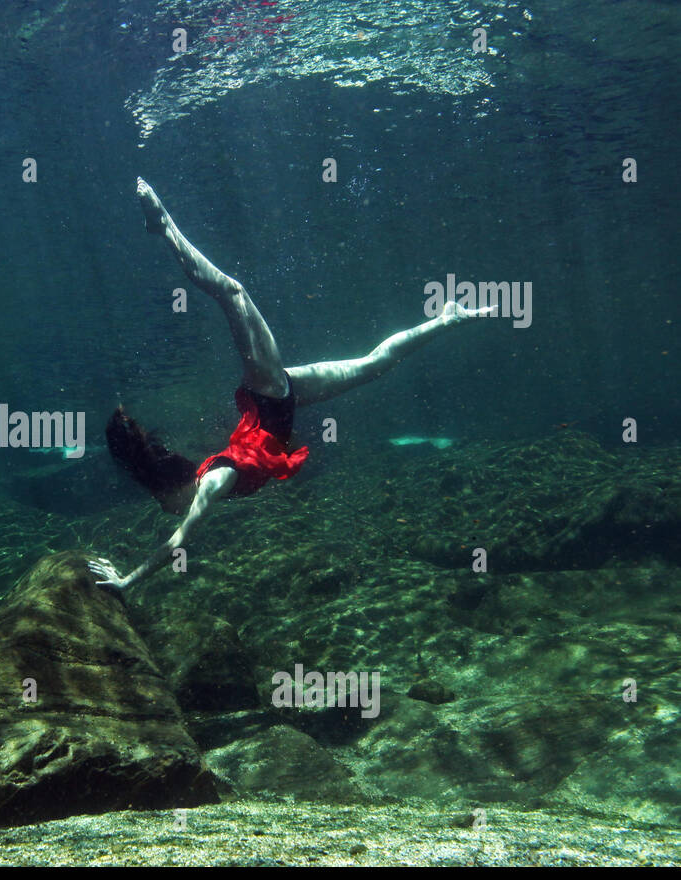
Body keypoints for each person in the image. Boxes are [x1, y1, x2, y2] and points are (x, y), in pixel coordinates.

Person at [89, 177, 498, 592]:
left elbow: (180, 541)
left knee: (233, 292)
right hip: (284, 398)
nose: (171, 511)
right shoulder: (210, 480)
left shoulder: (211, 482)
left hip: (269, 392)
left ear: (175, 489)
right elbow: (184, 529)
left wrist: (128, 581)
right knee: (375, 364)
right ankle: (448, 318)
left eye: (166, 504)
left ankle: (164, 226)